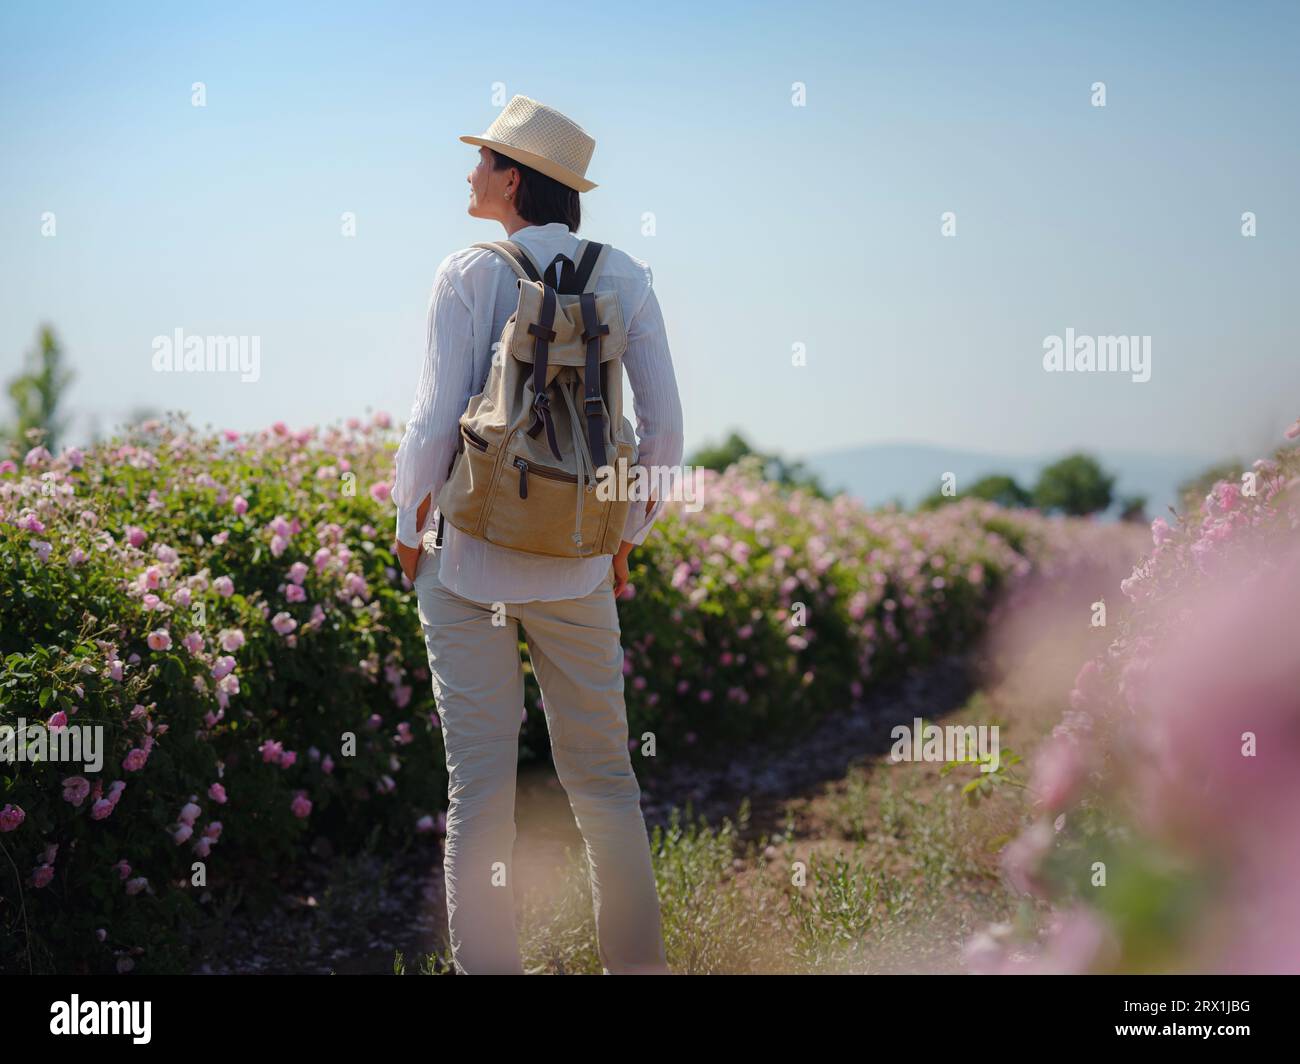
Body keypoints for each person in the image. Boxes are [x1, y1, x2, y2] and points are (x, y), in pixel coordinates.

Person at [390, 95, 684, 974]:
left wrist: (410, 529)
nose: (471, 173)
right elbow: (665, 434)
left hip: (470, 560)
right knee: (603, 784)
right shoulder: (626, 277)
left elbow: (431, 423)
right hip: (578, 570)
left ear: (512, 178)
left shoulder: (467, 272)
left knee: (479, 789)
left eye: (483, 160)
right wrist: (621, 533)